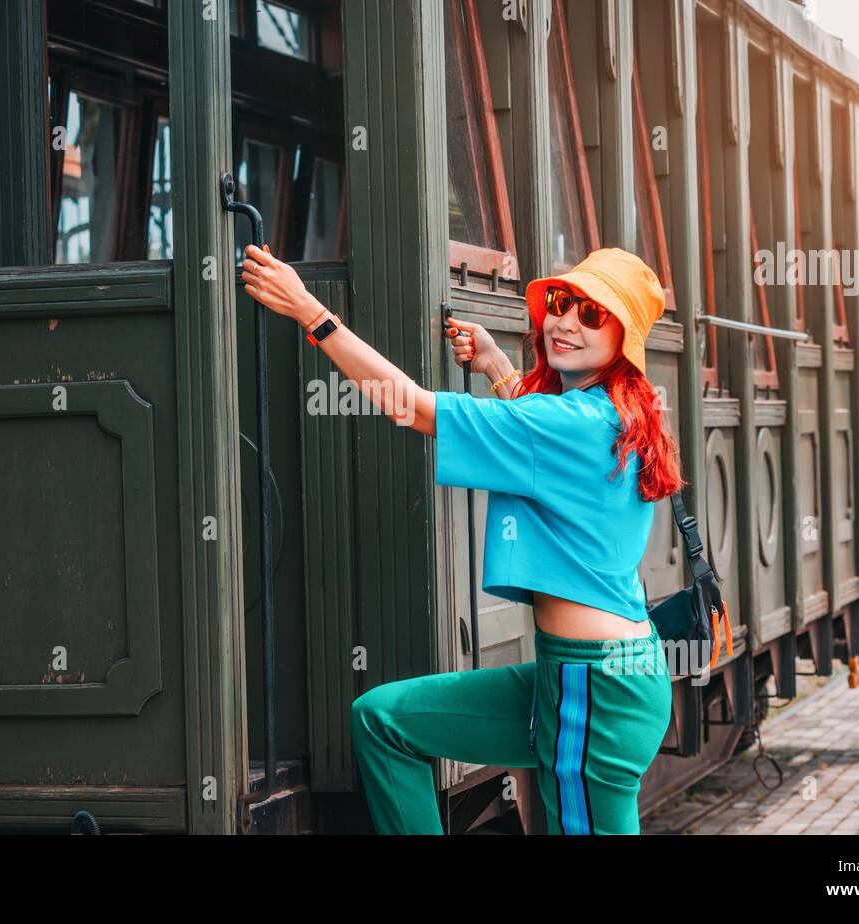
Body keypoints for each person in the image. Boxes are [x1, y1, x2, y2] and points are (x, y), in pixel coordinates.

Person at [240, 243, 683, 835]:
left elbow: (414, 409)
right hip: (583, 675)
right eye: (560, 301)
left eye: (591, 314)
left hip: (593, 690)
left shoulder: (570, 422)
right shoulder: (614, 411)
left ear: (622, 338)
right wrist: (500, 366)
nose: (564, 321)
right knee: (383, 721)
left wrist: (312, 314)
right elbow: (536, 451)